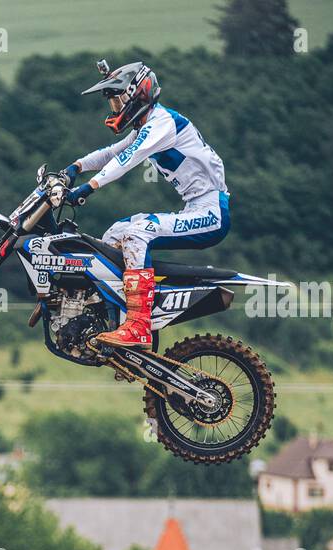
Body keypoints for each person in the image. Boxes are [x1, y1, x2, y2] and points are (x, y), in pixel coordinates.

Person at [62, 60, 230, 348]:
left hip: (211, 213)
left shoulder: (161, 125)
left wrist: (87, 188)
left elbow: (126, 160)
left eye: (117, 100)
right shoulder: (148, 124)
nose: (114, 108)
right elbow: (111, 153)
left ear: (137, 94)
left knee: (137, 234)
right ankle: (111, 317)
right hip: (194, 208)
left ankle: (139, 325)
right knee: (116, 232)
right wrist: (74, 167)